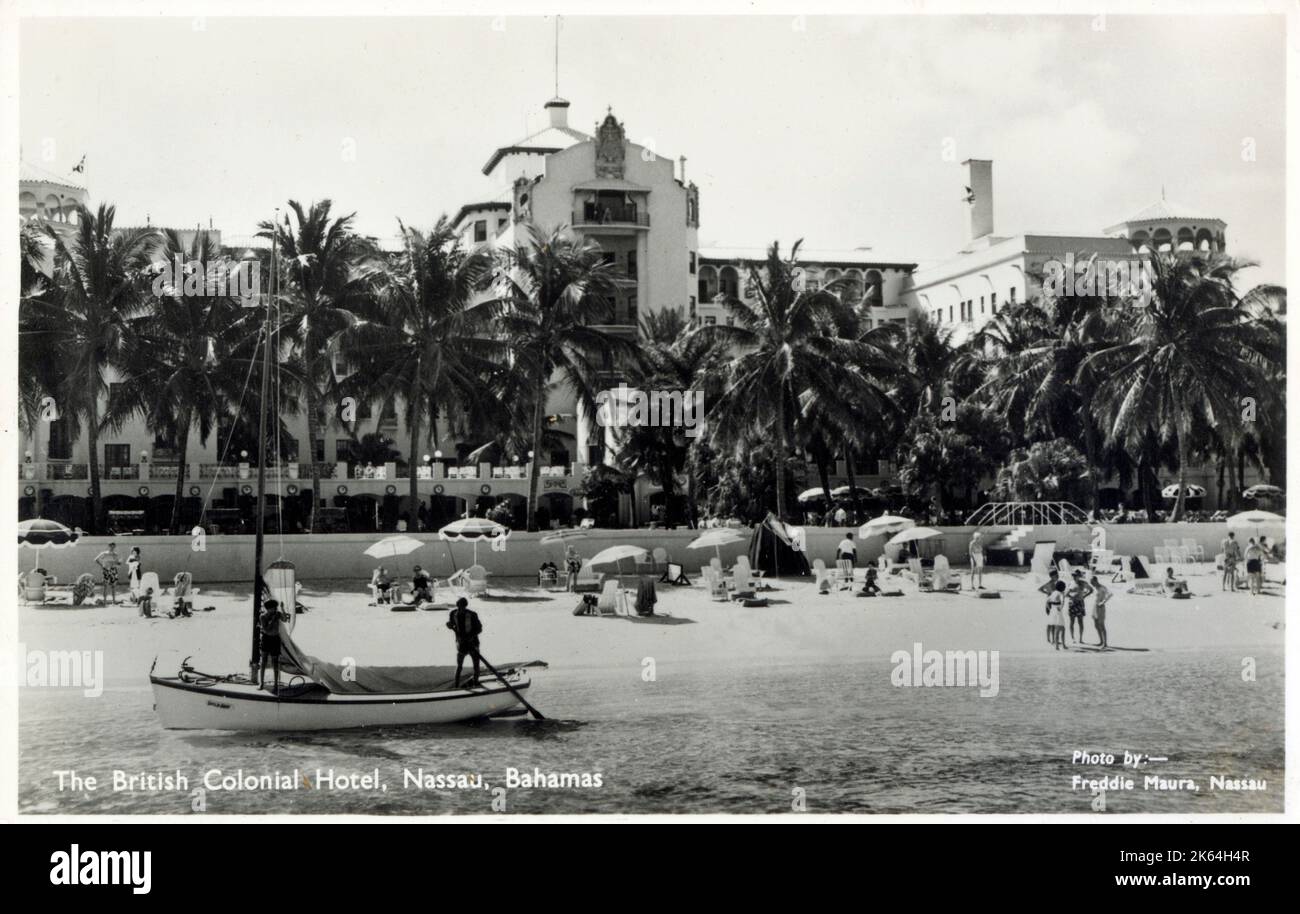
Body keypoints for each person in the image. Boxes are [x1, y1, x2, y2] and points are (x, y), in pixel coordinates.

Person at [447, 597, 483, 688]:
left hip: (473, 643)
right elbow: (451, 624)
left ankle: (476, 682)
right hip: (461, 644)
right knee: (459, 666)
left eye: (462, 607)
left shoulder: (472, 615)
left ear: (465, 606)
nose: (460, 609)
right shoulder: (453, 613)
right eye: (458, 607)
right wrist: (449, 625)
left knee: (476, 664)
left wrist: (470, 636)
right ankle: (456, 686)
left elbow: (479, 629)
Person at [258, 598, 288, 693]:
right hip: (266, 639)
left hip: (275, 639)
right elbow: (266, 629)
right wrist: (273, 619)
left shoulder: (277, 614)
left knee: (275, 662)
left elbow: (285, 619)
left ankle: (276, 684)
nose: (275, 610)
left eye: (275, 608)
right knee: (263, 661)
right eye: (273, 608)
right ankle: (261, 683)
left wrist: (282, 609)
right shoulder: (263, 616)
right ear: (268, 609)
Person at [1067, 573, 1093, 643]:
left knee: (1080, 622)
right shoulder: (1070, 583)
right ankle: (1073, 638)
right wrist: (1071, 596)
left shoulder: (1083, 583)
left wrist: (1084, 596)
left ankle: (1080, 639)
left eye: (1076, 575)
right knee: (1072, 621)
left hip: (1080, 603)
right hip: (1072, 603)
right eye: (1073, 576)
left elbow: (1091, 590)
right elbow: (1066, 593)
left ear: (1079, 576)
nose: (1074, 577)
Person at [1038, 569, 1061, 645]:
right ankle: (1052, 639)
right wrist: (1048, 593)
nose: (1058, 576)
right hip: (1050, 603)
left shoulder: (1054, 583)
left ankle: (1050, 638)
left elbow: (1040, 589)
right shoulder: (1050, 583)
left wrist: (1047, 593)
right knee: (1053, 622)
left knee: (1052, 621)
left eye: (1057, 575)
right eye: (1056, 575)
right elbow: (1040, 589)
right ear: (1052, 576)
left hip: (1053, 603)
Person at [1090, 575, 1110, 648]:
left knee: (1101, 625)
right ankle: (1101, 641)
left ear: (1096, 581)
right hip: (1095, 606)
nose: (1092, 584)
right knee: (1096, 625)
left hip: (1100, 607)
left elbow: (1110, 594)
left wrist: (1103, 602)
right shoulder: (1095, 588)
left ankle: (1105, 643)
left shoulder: (1102, 587)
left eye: (1092, 582)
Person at [1047, 580, 1067, 651]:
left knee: (1056, 628)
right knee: (1062, 628)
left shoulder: (1053, 593)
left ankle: (1057, 645)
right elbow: (1063, 601)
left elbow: (1047, 601)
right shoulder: (1060, 593)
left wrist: (1050, 609)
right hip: (1058, 611)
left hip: (1053, 611)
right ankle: (1063, 645)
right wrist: (1060, 608)